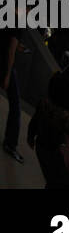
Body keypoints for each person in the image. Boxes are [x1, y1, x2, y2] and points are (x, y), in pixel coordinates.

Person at [1, 19, 23, 163]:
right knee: (16, 107)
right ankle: (10, 144)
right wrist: (7, 74)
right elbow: (11, 51)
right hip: (5, 66)